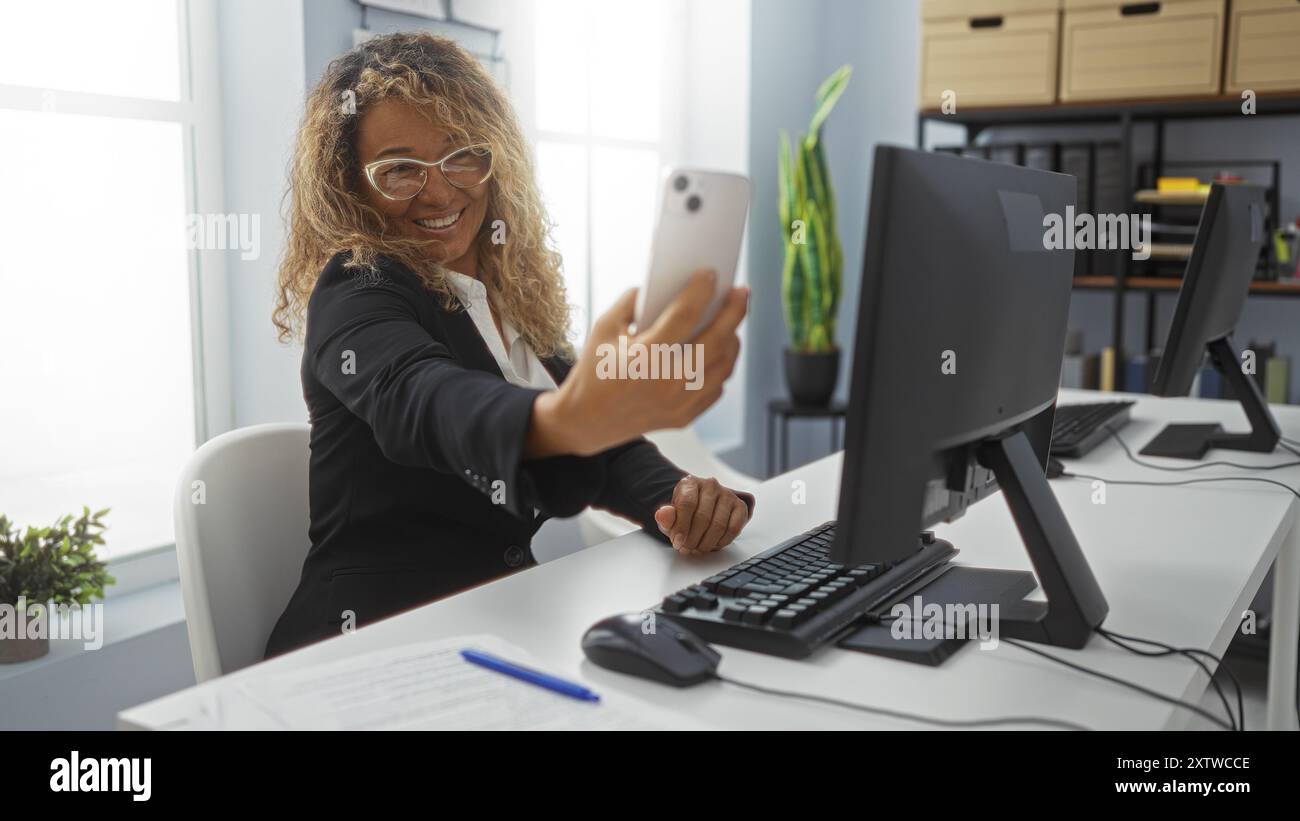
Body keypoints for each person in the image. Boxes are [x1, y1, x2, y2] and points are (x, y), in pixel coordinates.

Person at [265, 33, 752, 656]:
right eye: (399, 170)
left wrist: (682, 500)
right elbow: (425, 401)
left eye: (461, 156)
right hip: (364, 655)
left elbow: (602, 444)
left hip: (492, 637)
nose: (439, 193)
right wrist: (572, 417)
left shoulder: (510, 297)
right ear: (350, 186)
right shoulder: (357, 288)